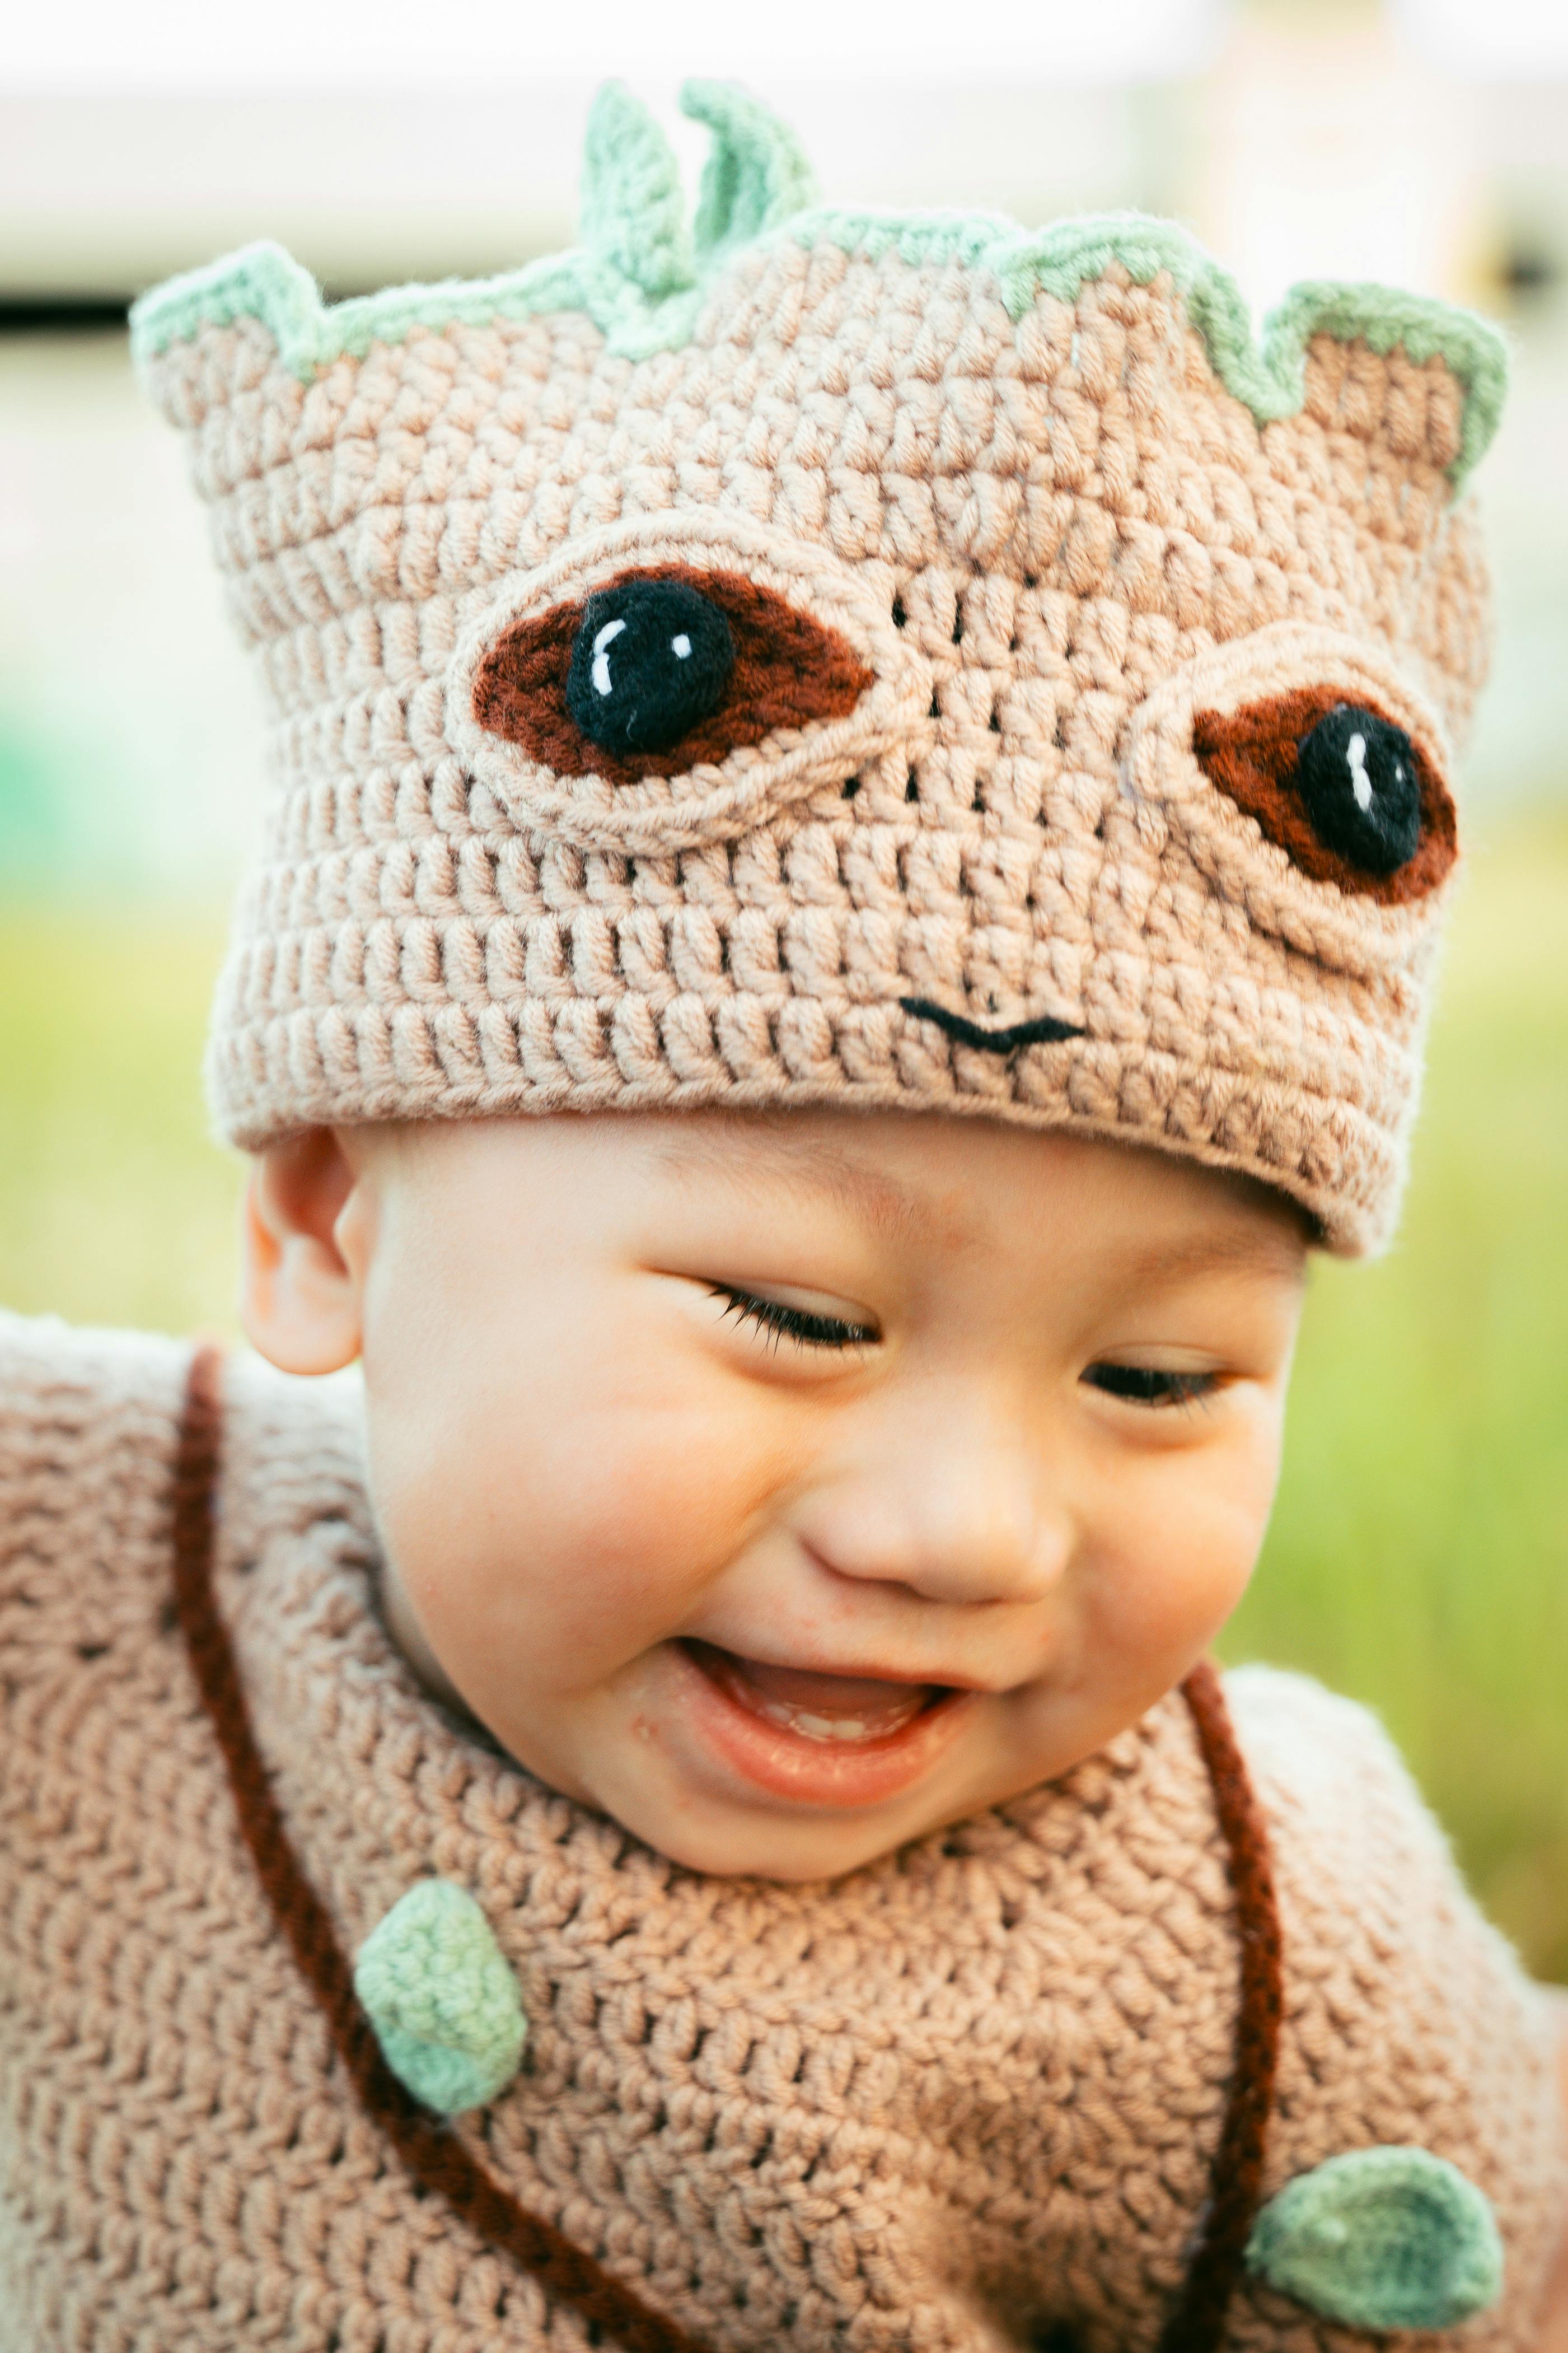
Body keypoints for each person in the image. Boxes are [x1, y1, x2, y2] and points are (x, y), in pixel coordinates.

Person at [2, 78, 1564, 2353]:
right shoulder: (82, 1570)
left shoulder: (1270, 1944)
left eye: (1153, 1373)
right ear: (333, 1214)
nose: (957, 1528)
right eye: (789, 1314)